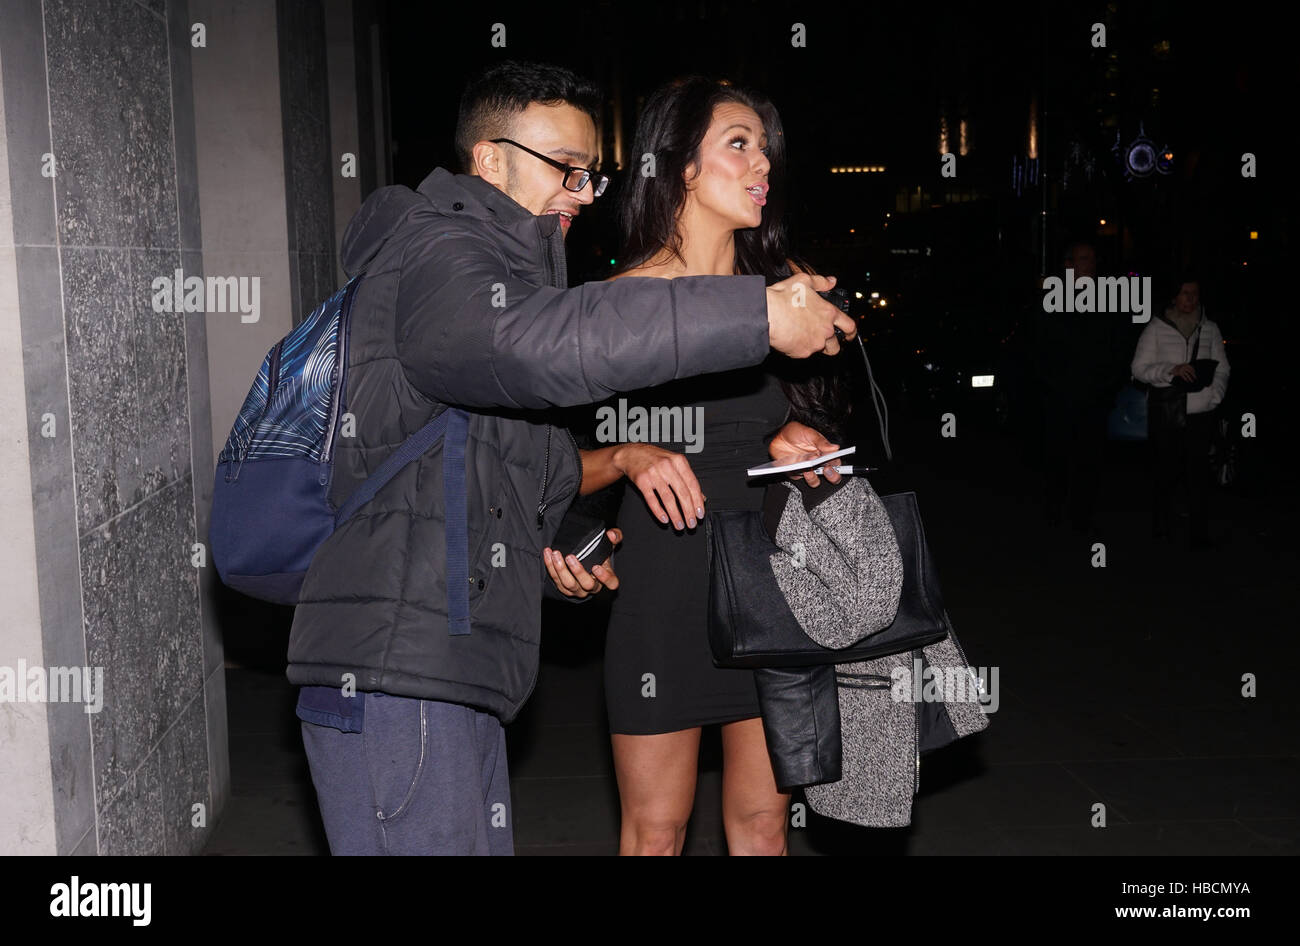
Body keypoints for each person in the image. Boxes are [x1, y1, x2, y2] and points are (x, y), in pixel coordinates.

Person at [283, 61, 854, 856]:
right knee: (654, 829)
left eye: (593, 176)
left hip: (471, 654)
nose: (585, 195)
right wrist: (749, 316)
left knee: (761, 826)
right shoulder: (449, 258)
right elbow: (542, 354)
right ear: (490, 159)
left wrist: (566, 529)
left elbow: (538, 458)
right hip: (409, 660)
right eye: (568, 172)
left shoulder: (514, 280)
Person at [562, 77, 848, 855]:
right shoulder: (616, 304)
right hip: (663, 585)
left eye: (766, 148)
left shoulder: (777, 300)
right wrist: (626, 453)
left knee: (763, 826)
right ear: (682, 168)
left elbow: (773, 421)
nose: (762, 164)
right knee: (657, 831)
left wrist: (792, 437)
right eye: (739, 143)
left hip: (772, 581)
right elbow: (553, 465)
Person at [1034, 239, 1129, 534]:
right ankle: (1054, 511)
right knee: (1057, 459)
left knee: (1090, 461)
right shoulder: (1051, 301)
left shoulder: (1108, 300)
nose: (1089, 265)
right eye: (1083, 259)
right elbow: (1037, 350)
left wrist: (1106, 388)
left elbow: (1120, 347)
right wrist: (1051, 386)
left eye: (1092, 259)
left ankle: (1081, 516)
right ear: (1068, 264)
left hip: (1093, 399)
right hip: (1059, 398)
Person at [1130, 273, 1229, 548]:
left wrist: (1214, 396)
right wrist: (1169, 370)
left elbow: (1223, 368)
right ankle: (1161, 525)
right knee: (1166, 470)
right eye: (1185, 293)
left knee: (1198, 473)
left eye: (1195, 293)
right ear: (1174, 296)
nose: (1191, 299)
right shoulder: (1157, 327)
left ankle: (1199, 532)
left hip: (1201, 412)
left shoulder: (1209, 328)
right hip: (1168, 411)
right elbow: (1138, 369)